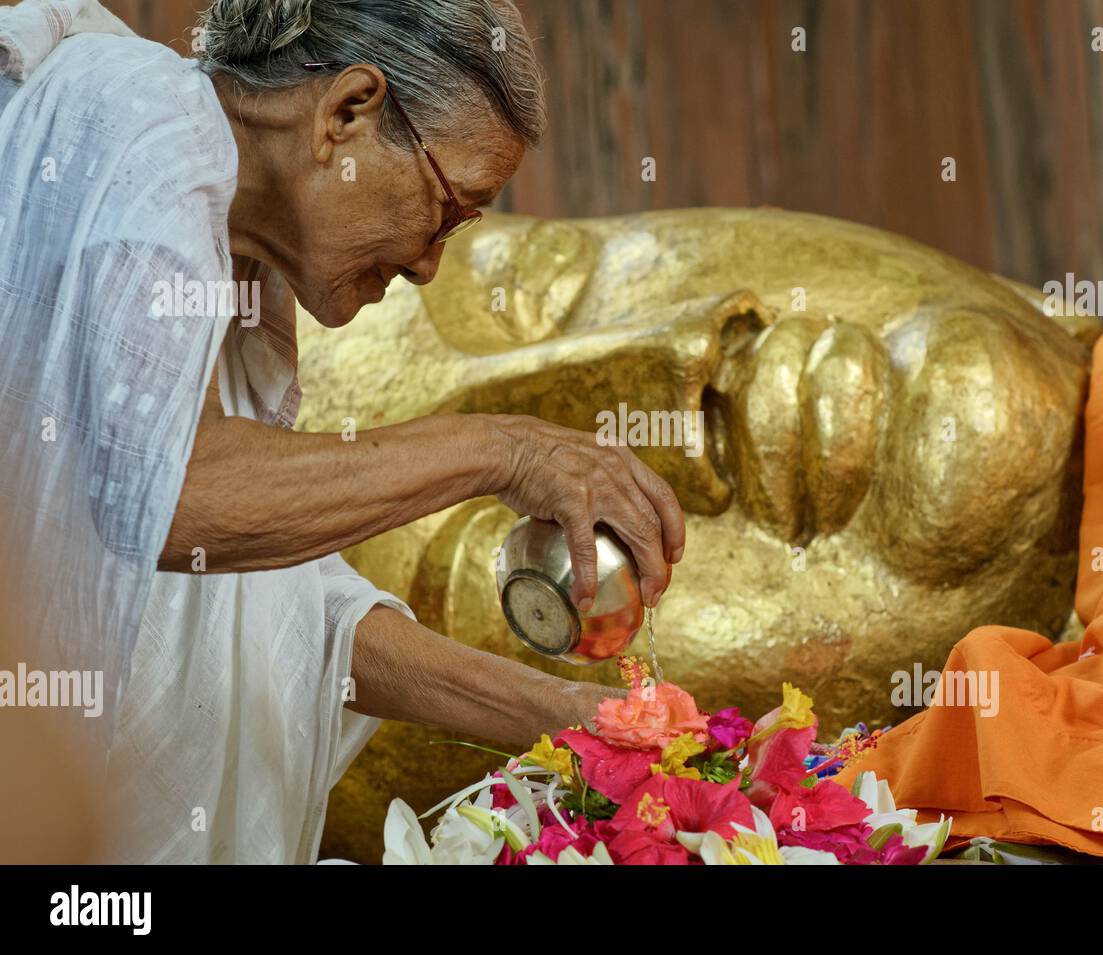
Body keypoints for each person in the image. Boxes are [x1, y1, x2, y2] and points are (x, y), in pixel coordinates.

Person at [0, 0, 683, 863]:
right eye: (449, 210)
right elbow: (171, 494)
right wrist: (502, 449)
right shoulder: (143, 118)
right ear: (347, 113)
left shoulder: (233, 269)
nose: (430, 264)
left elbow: (290, 621)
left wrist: (581, 722)